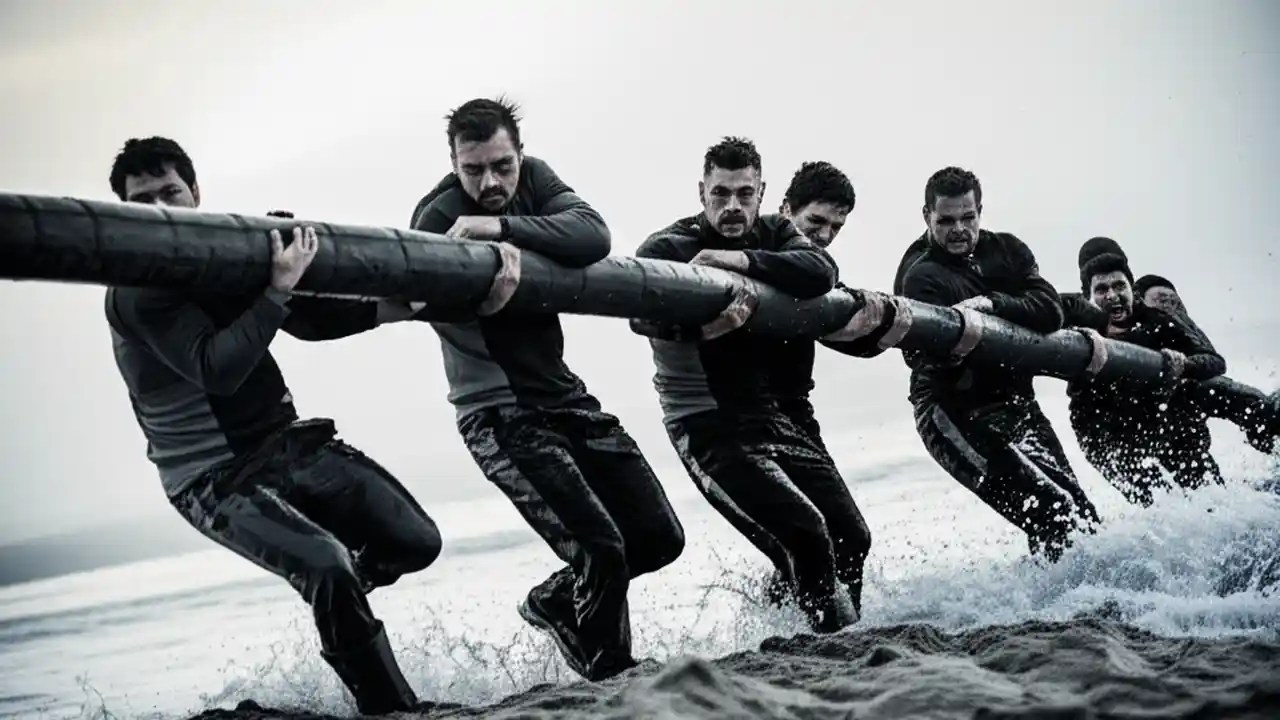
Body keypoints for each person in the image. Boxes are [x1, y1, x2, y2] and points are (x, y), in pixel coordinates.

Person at [105, 137, 440, 714]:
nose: (162, 209)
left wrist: (389, 308)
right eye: (144, 201)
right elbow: (218, 368)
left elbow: (303, 321)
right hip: (212, 477)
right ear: (125, 213)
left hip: (285, 444)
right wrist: (277, 288)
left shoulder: (225, 249)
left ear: (195, 192)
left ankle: (334, 604)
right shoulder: (135, 293)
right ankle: (393, 708)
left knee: (416, 541)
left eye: (171, 193)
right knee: (329, 566)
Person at [408, 98, 684, 682]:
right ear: (453, 163)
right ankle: (615, 677)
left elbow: (593, 235)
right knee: (602, 548)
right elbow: (420, 296)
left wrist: (500, 229)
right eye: (474, 169)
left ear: (520, 154)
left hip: (564, 397)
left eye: (502, 166)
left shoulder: (535, 180)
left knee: (658, 537)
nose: (490, 182)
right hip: (499, 414)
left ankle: (556, 601)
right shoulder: (435, 217)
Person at [632, 138, 868, 633]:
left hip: (771, 415)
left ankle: (800, 630)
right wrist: (704, 328)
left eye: (744, 194)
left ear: (762, 192)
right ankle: (838, 643)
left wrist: (737, 262)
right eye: (721, 194)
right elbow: (640, 313)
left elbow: (821, 271)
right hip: (708, 424)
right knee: (806, 534)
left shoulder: (776, 232)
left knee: (851, 536)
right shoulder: (669, 246)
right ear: (702, 191)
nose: (733, 207)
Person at [899, 166, 1098, 560]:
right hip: (953, 412)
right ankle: (1048, 613)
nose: (959, 229)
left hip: (1018, 404)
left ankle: (1063, 607)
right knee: (1050, 512)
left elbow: (1049, 311)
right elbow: (920, 355)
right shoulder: (919, 275)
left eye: (967, 218)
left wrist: (990, 306)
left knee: (1084, 518)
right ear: (926, 216)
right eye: (946, 220)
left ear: (980, 211)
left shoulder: (1007, 250)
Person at [1067, 247, 1227, 504]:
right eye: (1101, 290)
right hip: (1103, 432)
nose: (1112, 295)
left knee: (1211, 497)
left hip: (1162, 419)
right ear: (1088, 297)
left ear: (1133, 289)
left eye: (1120, 286)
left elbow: (1215, 362)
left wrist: (1184, 364)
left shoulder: (1158, 323)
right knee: (1156, 506)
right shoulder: (1077, 325)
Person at [1133, 274, 1278, 455]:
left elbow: (1215, 362)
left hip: (1191, 389)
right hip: (1156, 415)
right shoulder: (1132, 328)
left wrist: (1184, 365)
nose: (1170, 307)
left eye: (1175, 302)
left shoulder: (1180, 323)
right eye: (1162, 301)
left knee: (1257, 406)